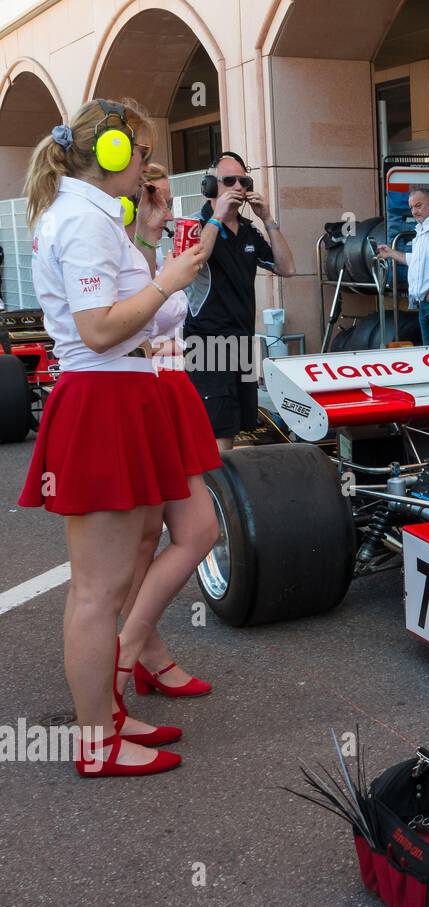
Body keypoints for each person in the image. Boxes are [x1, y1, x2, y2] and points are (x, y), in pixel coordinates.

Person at [17, 98, 205, 777]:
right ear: (114, 154)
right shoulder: (84, 221)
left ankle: (109, 721)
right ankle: (97, 743)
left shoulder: (91, 216)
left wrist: (158, 269)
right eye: (139, 150)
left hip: (117, 393)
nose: (148, 166)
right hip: (103, 395)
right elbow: (100, 329)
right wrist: (166, 281)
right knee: (97, 591)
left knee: (111, 578)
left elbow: (126, 324)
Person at [116, 163, 220, 701]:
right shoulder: (110, 243)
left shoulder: (147, 244)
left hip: (172, 387)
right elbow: (119, 324)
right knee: (139, 542)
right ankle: (138, 654)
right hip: (142, 388)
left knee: (196, 530)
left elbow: (180, 294)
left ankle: (130, 650)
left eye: (160, 188)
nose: (158, 195)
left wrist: (156, 224)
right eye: (147, 185)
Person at [185, 149, 295, 449]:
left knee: (235, 429)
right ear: (210, 186)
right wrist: (218, 216)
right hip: (207, 345)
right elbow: (195, 260)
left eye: (244, 181)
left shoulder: (248, 231)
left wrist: (268, 219)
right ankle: (214, 494)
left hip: (241, 342)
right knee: (215, 437)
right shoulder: (195, 225)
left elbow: (287, 268)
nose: (238, 188)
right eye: (229, 180)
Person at [376, 186, 429, 344]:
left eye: (418, 205)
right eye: (411, 207)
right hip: (427, 301)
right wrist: (391, 253)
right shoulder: (422, 230)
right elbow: (416, 260)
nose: (414, 211)